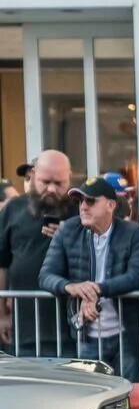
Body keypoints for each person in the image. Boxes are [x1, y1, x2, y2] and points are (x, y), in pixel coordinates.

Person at [38, 175, 139, 377]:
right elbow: (46, 274)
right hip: (86, 335)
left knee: (131, 396)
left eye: (90, 201)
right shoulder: (68, 230)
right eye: (80, 201)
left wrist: (95, 290)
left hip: (127, 333)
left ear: (110, 205)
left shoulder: (133, 232)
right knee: (92, 397)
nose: (83, 207)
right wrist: (72, 287)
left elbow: (136, 275)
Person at [0, 150, 77, 354]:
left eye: (59, 183)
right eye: (45, 181)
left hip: (73, 328)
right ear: (33, 175)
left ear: (69, 178)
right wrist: (2, 315)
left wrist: (67, 236)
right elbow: (2, 264)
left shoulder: (81, 210)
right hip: (25, 327)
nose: (51, 189)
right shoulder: (13, 209)